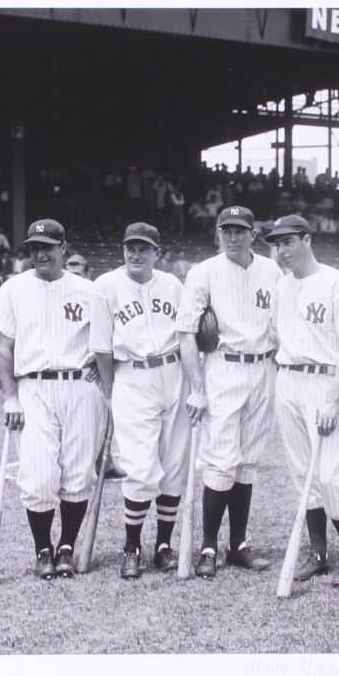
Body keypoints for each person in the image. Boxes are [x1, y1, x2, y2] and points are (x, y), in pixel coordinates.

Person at [0, 219, 108, 579]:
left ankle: (66, 546)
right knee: (38, 477)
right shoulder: (13, 289)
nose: (40, 253)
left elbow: (107, 340)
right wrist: (10, 398)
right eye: (34, 248)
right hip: (34, 387)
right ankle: (43, 549)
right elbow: (3, 350)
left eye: (47, 247)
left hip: (80, 387)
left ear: (63, 248)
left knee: (77, 473)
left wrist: (104, 366)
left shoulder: (88, 290)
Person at [175, 206, 282, 578]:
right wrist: (197, 389)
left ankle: (238, 545)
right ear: (217, 233)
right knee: (221, 460)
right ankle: (208, 546)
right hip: (223, 366)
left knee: (248, 460)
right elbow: (187, 333)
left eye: (240, 231)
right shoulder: (203, 271)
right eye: (226, 231)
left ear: (253, 233)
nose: (233, 237)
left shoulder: (271, 270)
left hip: (263, 366)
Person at [264, 215, 339, 586]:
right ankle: (320, 554)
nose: (281, 250)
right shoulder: (281, 287)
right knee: (303, 473)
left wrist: (333, 398)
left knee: (330, 477)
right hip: (288, 378)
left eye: (288, 242)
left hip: (327, 382)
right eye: (276, 244)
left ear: (307, 240)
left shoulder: (338, 283)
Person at [90, 223, 193, 578]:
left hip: (174, 372)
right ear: (122, 250)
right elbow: (102, 346)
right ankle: (131, 546)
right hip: (132, 376)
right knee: (140, 466)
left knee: (175, 463)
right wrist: (108, 392)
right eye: (130, 248)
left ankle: (163, 546)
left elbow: (187, 334)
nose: (136, 255)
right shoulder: (105, 286)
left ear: (157, 254)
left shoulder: (173, 285)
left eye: (144, 249)